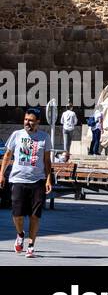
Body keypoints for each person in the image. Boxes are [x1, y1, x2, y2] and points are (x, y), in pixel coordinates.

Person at [2, 108, 53, 258]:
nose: (27, 123)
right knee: (17, 214)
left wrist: (48, 178)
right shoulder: (16, 135)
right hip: (17, 179)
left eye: (31, 120)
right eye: (25, 120)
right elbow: (8, 155)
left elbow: (47, 160)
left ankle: (31, 245)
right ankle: (20, 234)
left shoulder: (44, 137)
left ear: (38, 122)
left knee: (35, 215)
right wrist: (1, 174)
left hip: (37, 181)